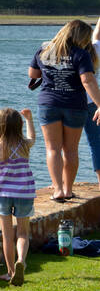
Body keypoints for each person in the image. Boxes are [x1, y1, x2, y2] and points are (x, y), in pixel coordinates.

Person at [30, 19, 100, 201]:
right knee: (70, 150)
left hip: (48, 104)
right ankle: (68, 190)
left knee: (52, 149)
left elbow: (33, 74)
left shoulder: (44, 49)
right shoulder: (81, 54)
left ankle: (58, 190)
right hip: (74, 105)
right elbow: (87, 81)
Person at [0, 108, 37, 287]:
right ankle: (21, 261)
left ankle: (10, 272)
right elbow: (33, 137)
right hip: (24, 193)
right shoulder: (24, 144)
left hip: (3, 194)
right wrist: (30, 119)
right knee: (23, 232)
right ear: (19, 126)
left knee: (7, 236)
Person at [84, 17, 100, 188]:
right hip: (92, 102)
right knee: (96, 142)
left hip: (70, 103)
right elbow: (98, 34)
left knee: (65, 147)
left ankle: (63, 185)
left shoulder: (67, 53)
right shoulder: (95, 50)